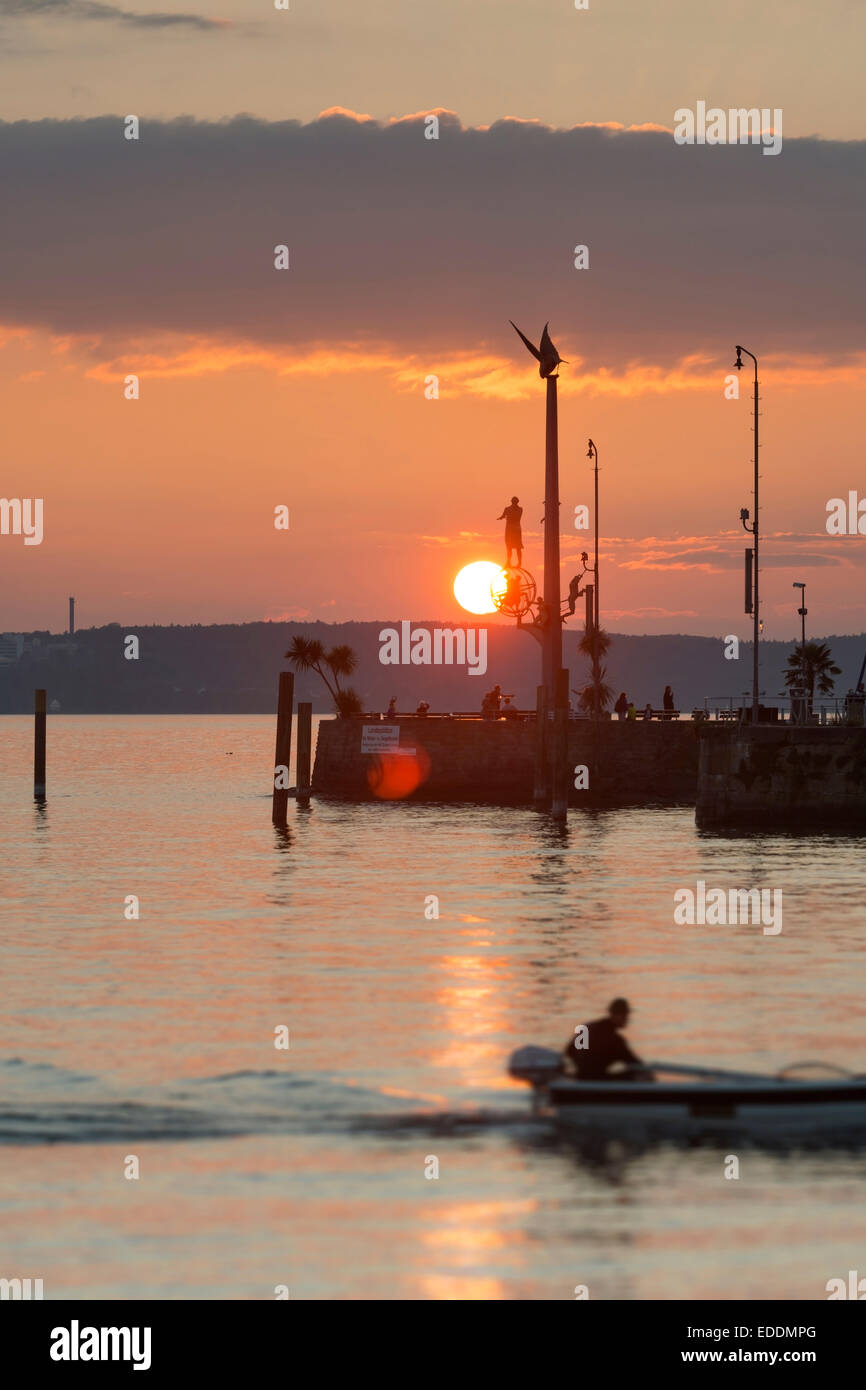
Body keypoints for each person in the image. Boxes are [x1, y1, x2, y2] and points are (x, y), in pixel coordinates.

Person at [563, 999, 649, 1081]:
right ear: (616, 1015)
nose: (627, 1019)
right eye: (625, 1015)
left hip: (581, 1077)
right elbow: (633, 1062)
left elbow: (569, 1051)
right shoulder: (615, 1040)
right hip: (596, 1080)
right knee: (637, 1074)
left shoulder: (588, 1027)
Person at [497, 496, 523, 568]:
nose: (514, 503)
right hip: (510, 530)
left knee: (518, 547)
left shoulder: (520, 509)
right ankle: (508, 562)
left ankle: (519, 563)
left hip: (516, 530)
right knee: (509, 547)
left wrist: (504, 517)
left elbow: (516, 517)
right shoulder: (507, 509)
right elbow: (503, 516)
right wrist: (501, 517)